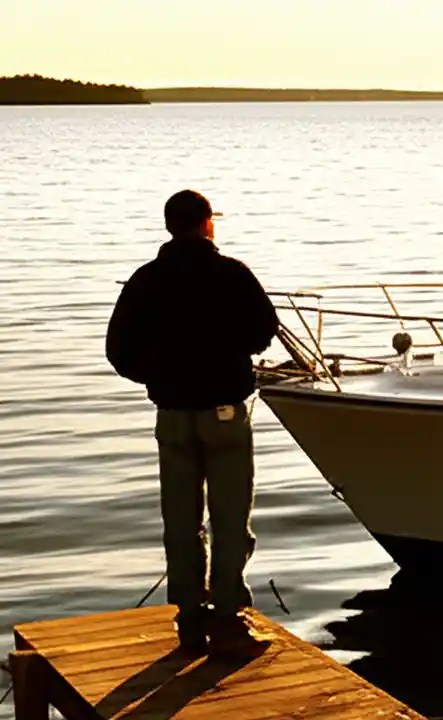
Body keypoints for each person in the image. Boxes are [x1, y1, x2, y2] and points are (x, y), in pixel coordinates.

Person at [106, 190, 279, 657]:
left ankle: (188, 618)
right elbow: (266, 328)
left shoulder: (145, 281)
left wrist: (158, 376)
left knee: (180, 521)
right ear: (206, 224)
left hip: (172, 416)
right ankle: (226, 618)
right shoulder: (232, 274)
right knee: (229, 519)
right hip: (224, 414)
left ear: (168, 227)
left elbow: (117, 351)